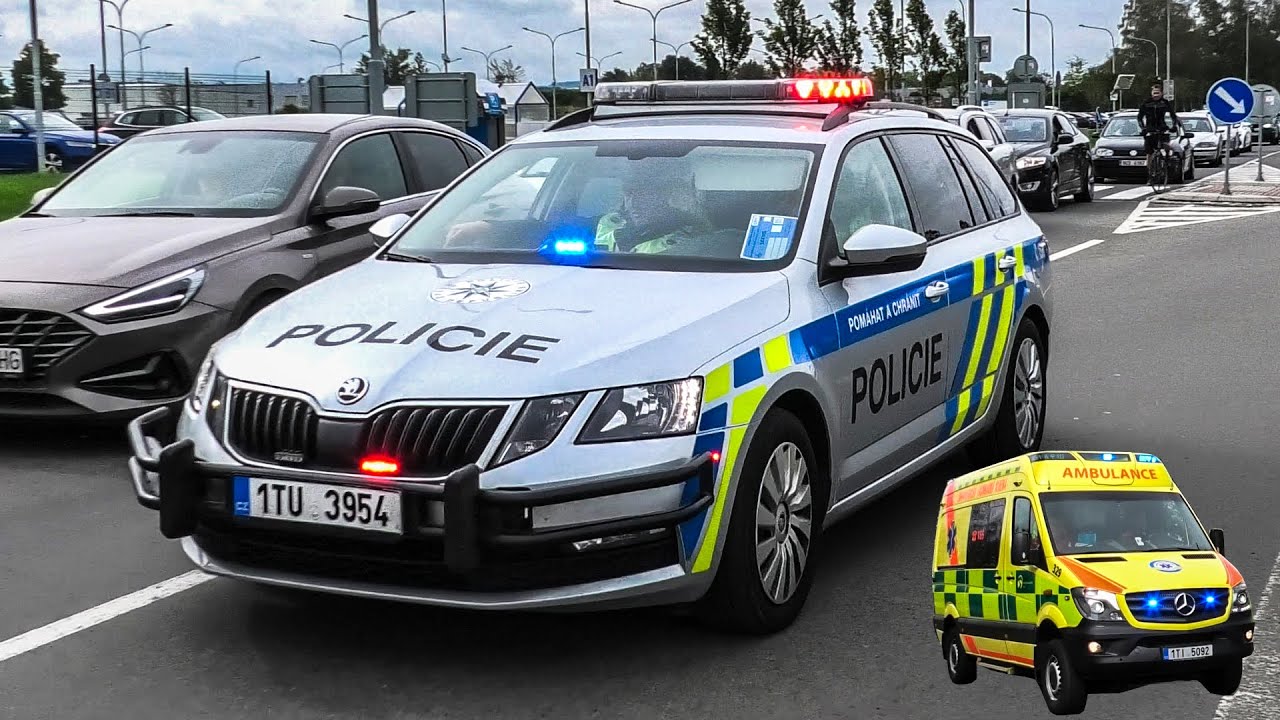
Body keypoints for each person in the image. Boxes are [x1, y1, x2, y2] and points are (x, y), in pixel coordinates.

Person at [1138, 81, 1181, 174]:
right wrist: (1143, 128)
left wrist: (1173, 126)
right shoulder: (1146, 103)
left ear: (1161, 93)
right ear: (1151, 93)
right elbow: (1139, 117)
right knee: (1149, 153)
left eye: (1158, 93)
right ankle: (1150, 173)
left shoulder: (1165, 103)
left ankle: (1167, 160)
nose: (1156, 95)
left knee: (1166, 145)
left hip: (1162, 127)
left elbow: (1173, 116)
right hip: (1150, 128)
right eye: (1154, 93)